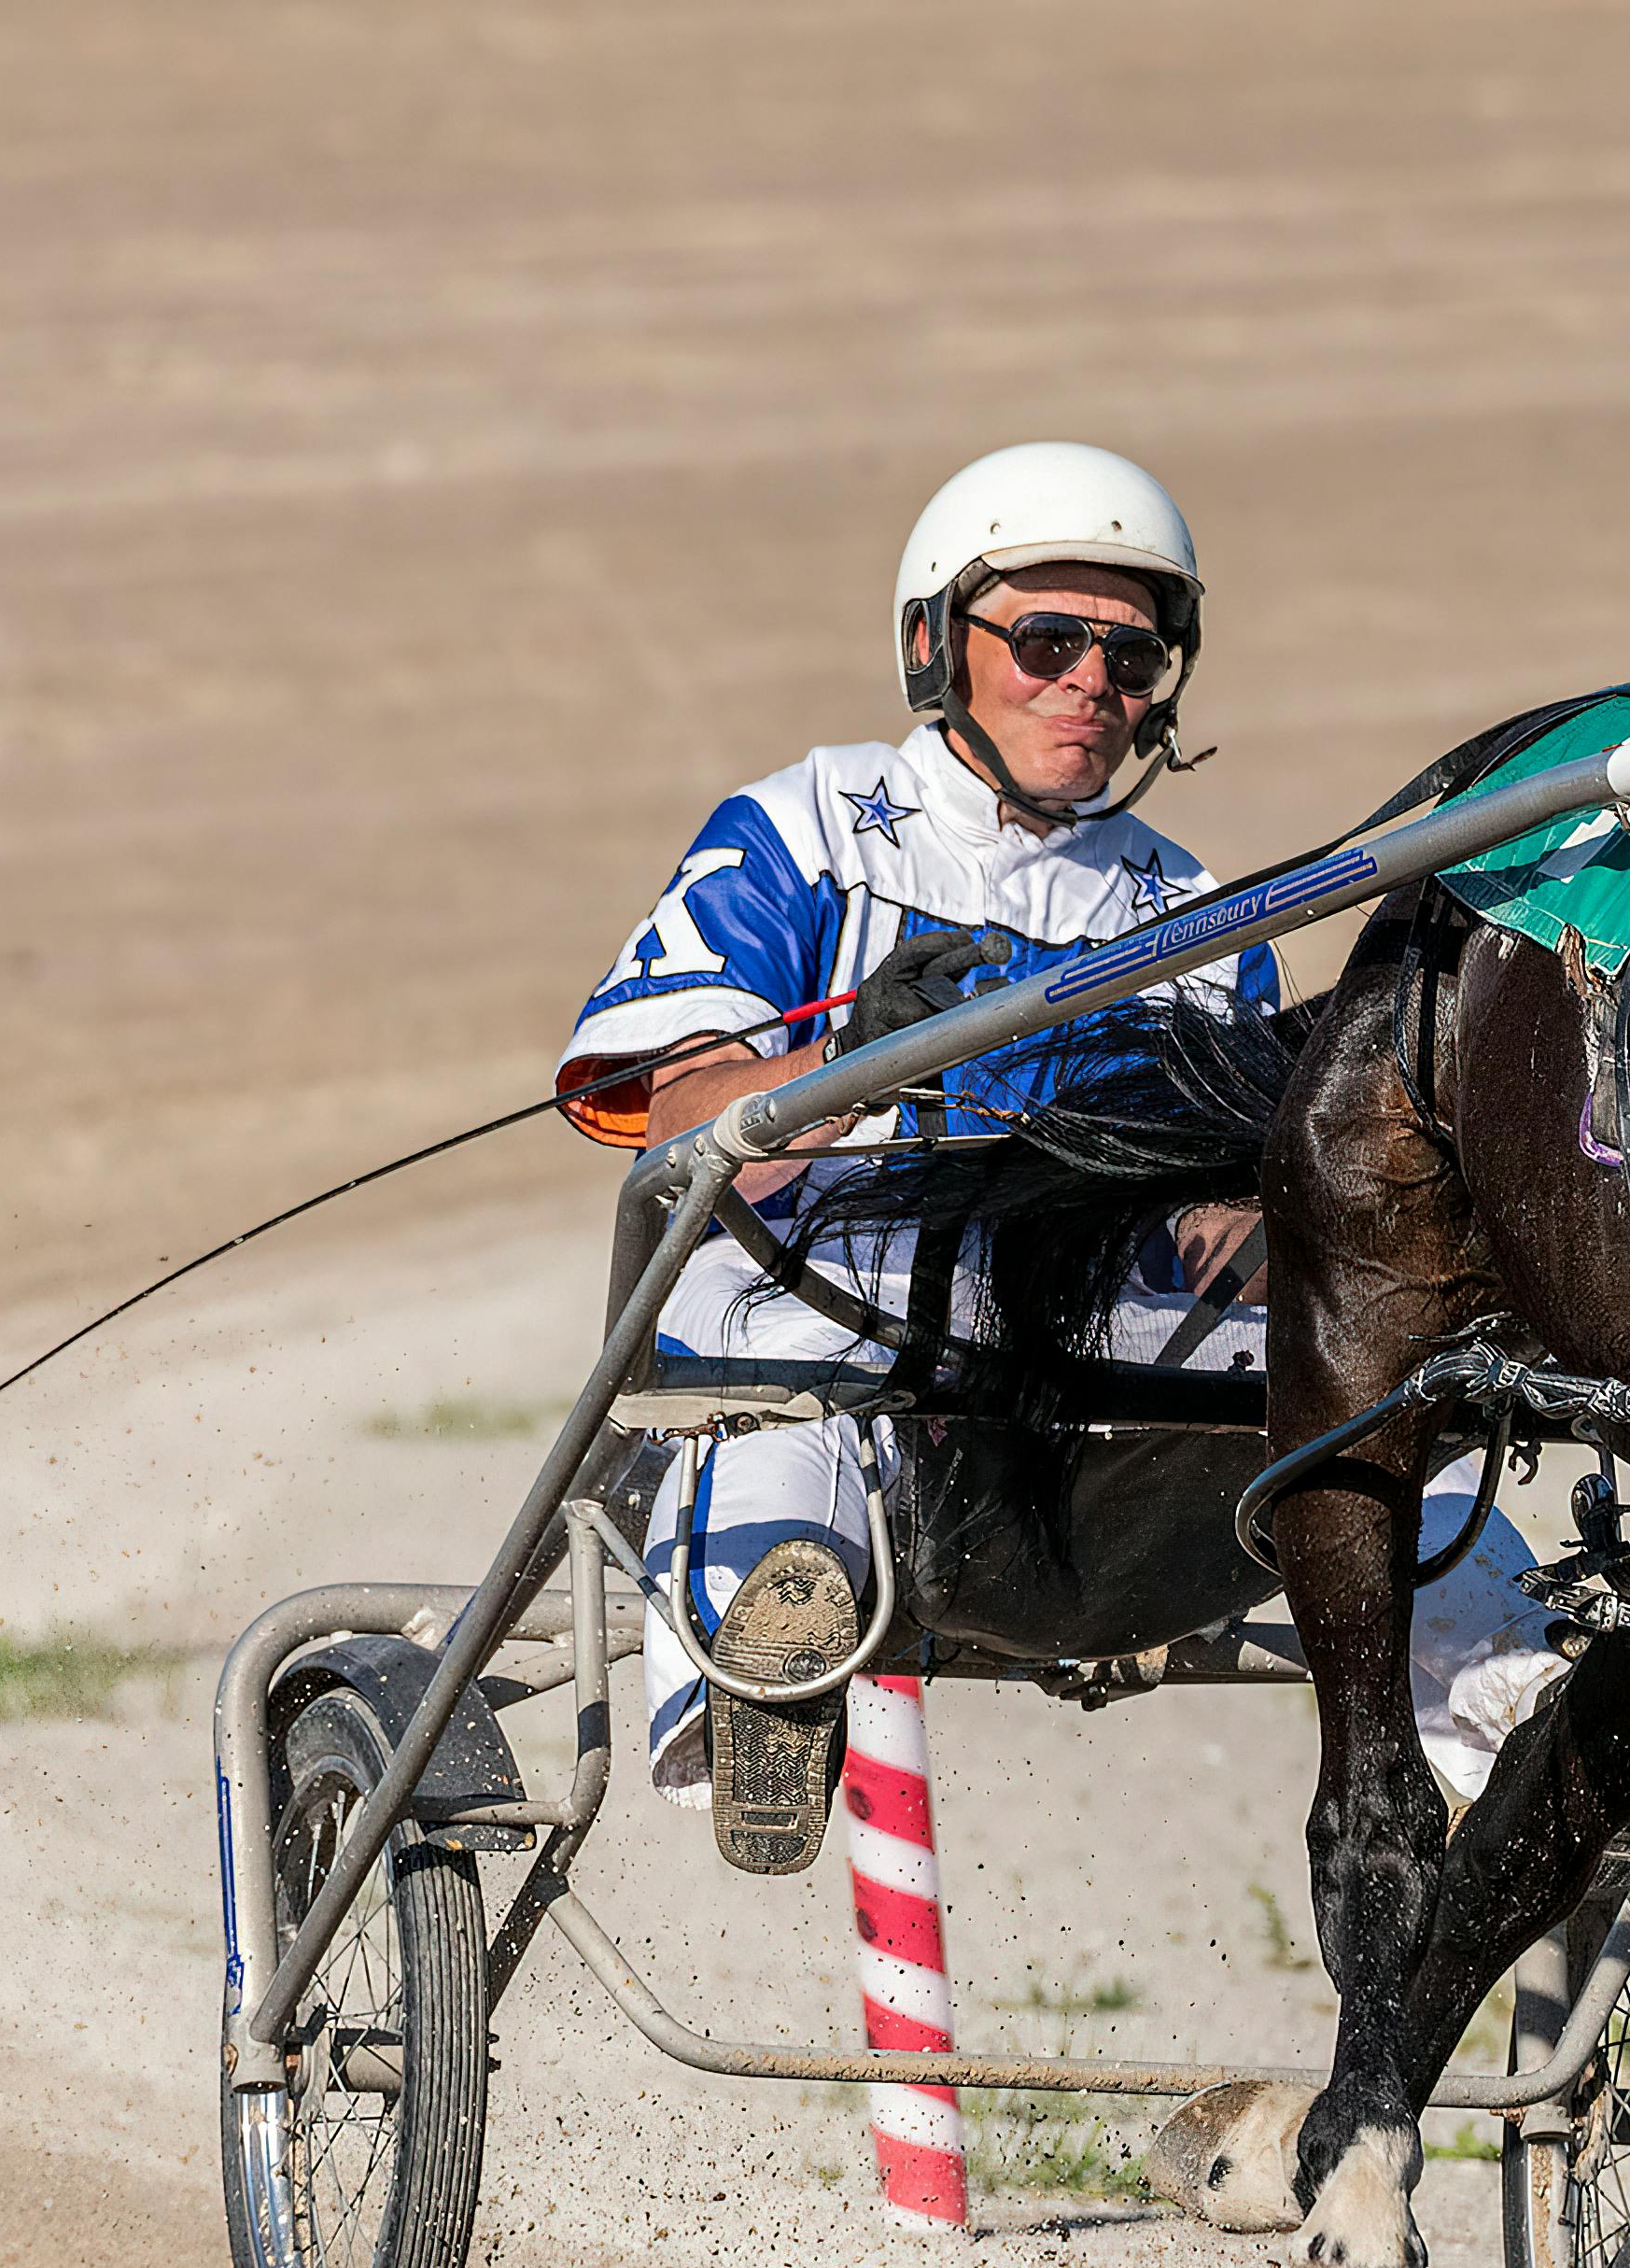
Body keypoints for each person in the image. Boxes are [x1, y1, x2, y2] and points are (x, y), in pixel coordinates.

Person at [553, 442, 1560, 1872]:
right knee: (786, 1412)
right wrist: (828, 1073)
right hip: (828, 1293)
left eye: (1131, 657)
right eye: (1046, 641)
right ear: (934, 645)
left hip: (1102, 1374)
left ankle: (1537, 1737)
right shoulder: (808, 827)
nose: (1093, 681)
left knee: (1386, 1431)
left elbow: (1256, 1209)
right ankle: (767, 1667)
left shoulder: (1196, 911)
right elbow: (668, 1115)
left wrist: (1265, 1220)